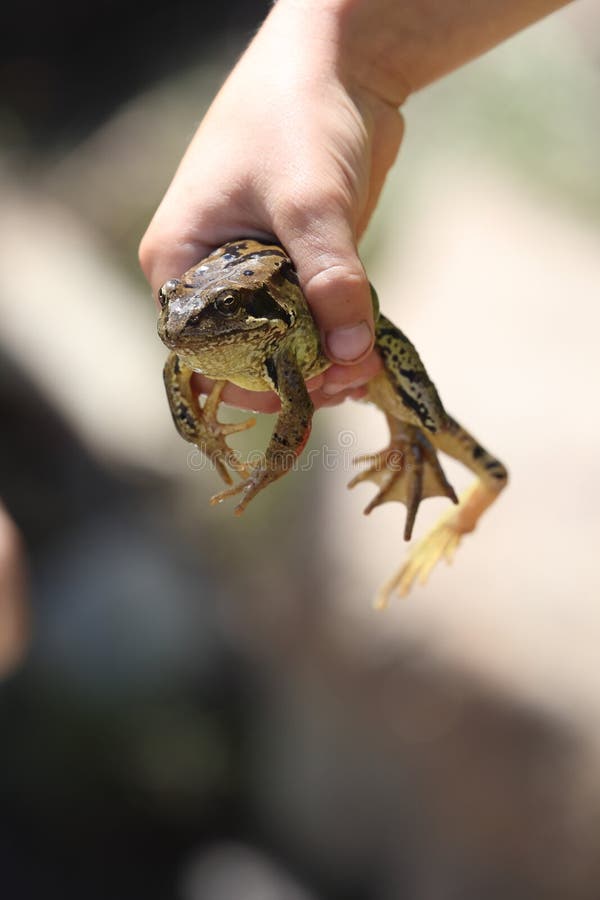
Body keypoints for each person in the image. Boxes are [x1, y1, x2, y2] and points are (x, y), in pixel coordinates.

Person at [141, 0, 569, 414]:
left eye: (228, 306)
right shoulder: (187, 340)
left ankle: (415, 430)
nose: (177, 320)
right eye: (168, 299)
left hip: (294, 317)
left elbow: (296, 416)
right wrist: (339, 61)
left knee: (411, 398)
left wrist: (330, 55)